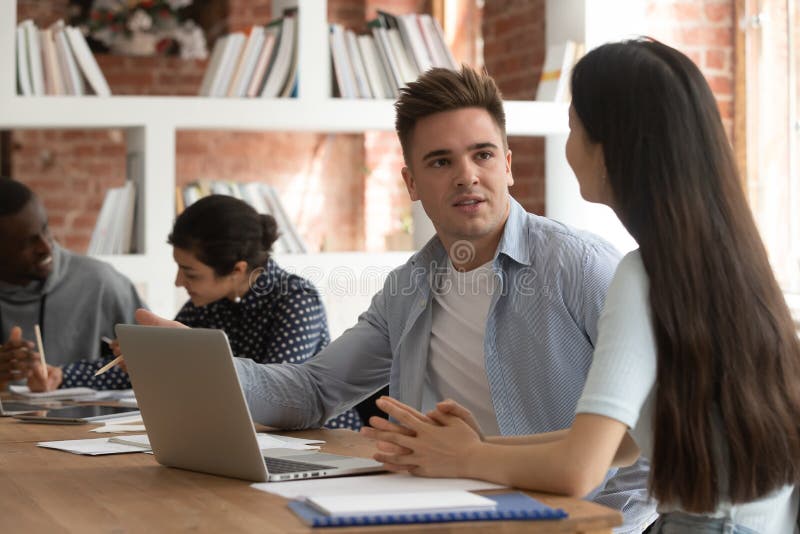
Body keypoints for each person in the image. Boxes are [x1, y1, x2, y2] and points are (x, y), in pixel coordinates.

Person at [137, 65, 656, 531]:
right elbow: (316, 389)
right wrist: (202, 361)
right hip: (442, 509)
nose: (466, 175)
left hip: (569, 519)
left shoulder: (583, 266)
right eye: (439, 161)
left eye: (482, 154)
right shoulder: (409, 287)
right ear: (410, 182)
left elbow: (655, 440)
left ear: (508, 165)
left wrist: (606, 523)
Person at [365, 40, 800, 533]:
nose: (567, 146)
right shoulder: (726, 259)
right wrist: (477, 448)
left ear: (610, 149)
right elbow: (633, 437)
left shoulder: (638, 273)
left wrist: (467, 459)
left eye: (574, 128)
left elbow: (580, 469)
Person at [167, 194, 361, 430]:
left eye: (190, 273)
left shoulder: (297, 300)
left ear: (237, 270)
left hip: (322, 444)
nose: (179, 282)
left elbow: (276, 399)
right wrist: (142, 359)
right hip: (244, 437)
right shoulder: (207, 303)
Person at [0, 178, 144, 392]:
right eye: (26, 243)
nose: (46, 247)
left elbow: (161, 366)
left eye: (45, 229)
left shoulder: (100, 282)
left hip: (91, 426)